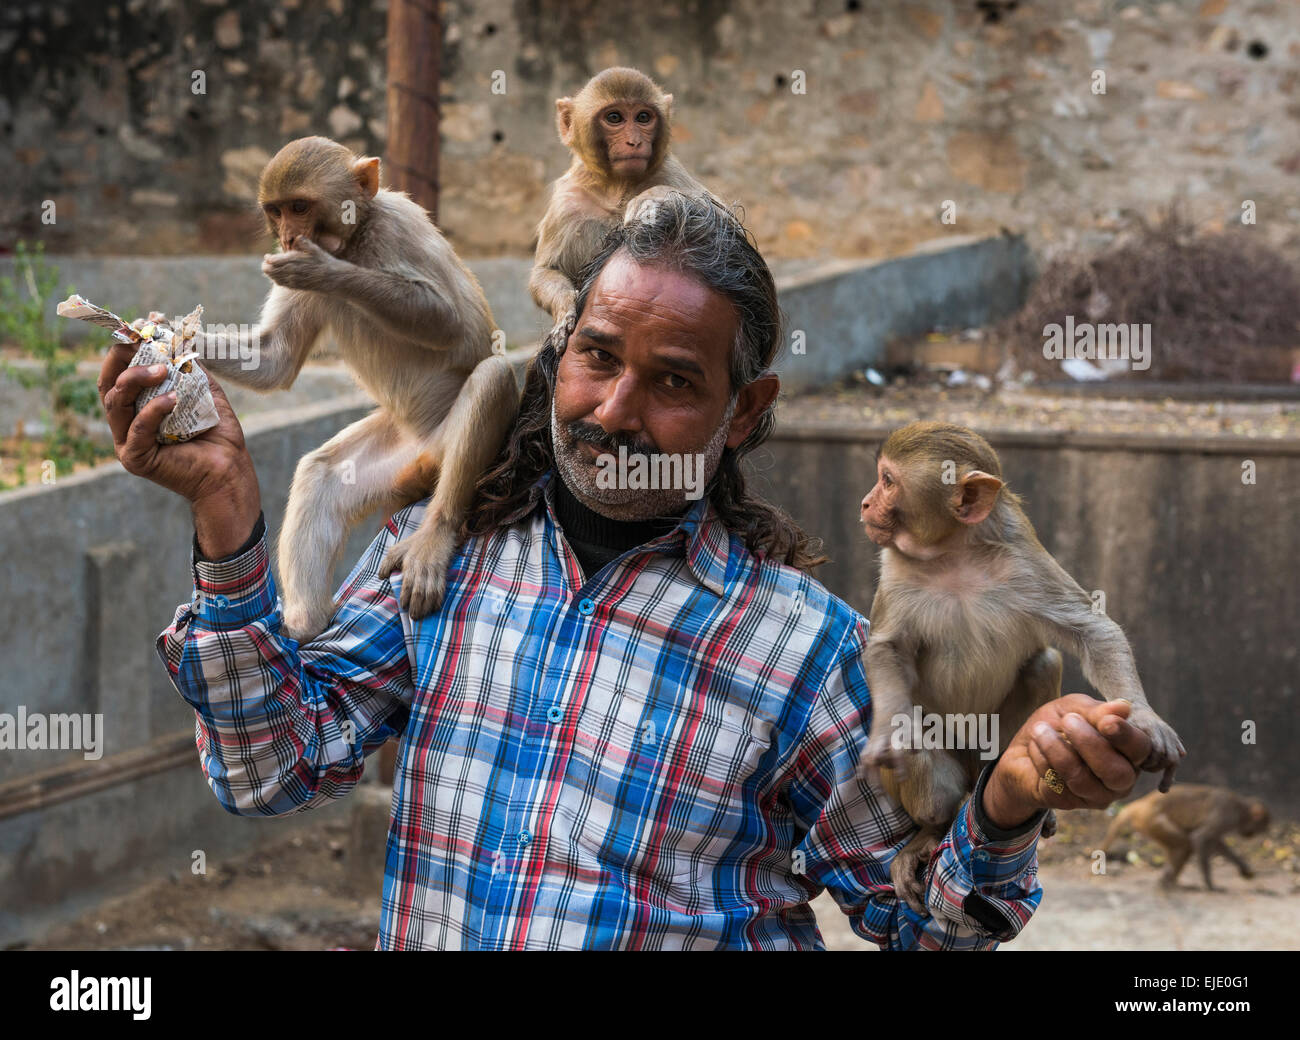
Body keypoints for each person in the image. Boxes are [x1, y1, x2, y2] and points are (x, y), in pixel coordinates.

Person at [98, 195, 1154, 950]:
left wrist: (1008, 797)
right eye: (597, 355)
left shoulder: (800, 648)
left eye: (673, 380)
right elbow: (268, 766)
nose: (611, 409)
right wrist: (226, 513)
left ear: (743, 412)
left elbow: (926, 922)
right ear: (558, 351)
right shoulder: (447, 561)